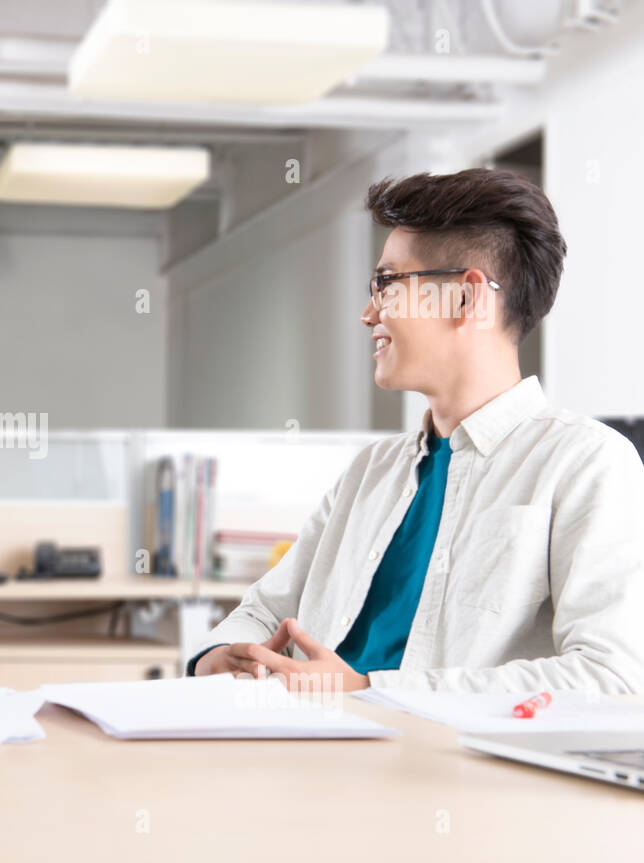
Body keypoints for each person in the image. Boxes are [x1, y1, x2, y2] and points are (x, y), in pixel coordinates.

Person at [189, 168, 644, 693]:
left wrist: (370, 691)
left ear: (466, 299)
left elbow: (613, 675)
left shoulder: (585, 464)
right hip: (311, 750)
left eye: (386, 283)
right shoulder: (371, 471)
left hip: (438, 765)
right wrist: (222, 655)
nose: (367, 314)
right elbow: (265, 609)